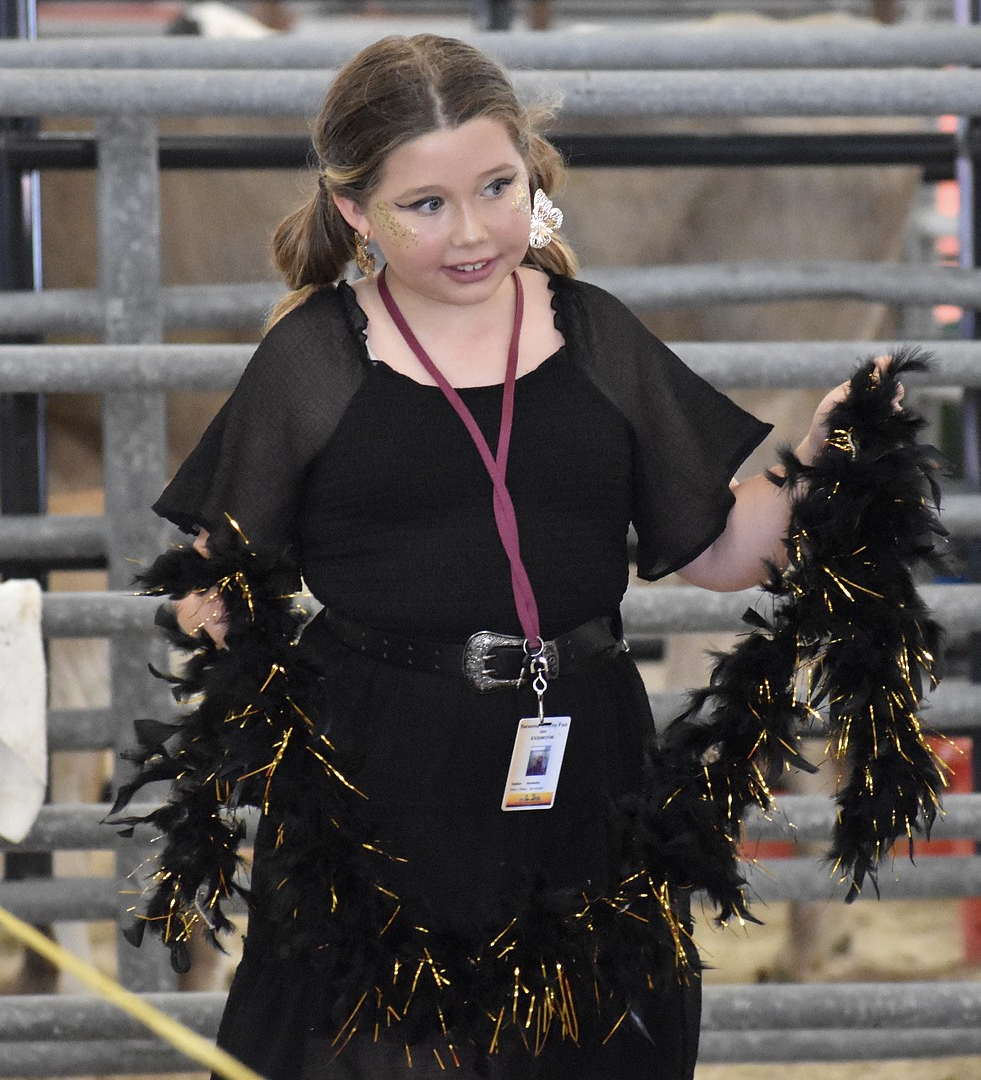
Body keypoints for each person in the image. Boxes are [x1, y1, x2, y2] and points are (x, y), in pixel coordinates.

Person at [123, 33, 903, 1080]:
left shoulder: (595, 336)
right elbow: (217, 563)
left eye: (496, 187)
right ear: (356, 212)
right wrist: (213, 610)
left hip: (585, 765)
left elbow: (717, 543)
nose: (473, 232)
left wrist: (817, 465)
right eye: (426, 205)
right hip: (378, 783)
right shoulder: (312, 359)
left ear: (531, 173)